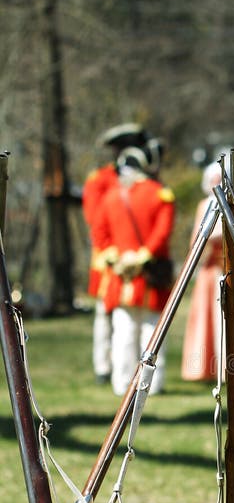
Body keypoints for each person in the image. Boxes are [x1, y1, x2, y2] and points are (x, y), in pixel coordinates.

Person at [95, 146, 175, 395]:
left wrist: (117, 257)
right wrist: (143, 255)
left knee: (124, 332)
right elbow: (162, 233)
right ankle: (153, 385)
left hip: (122, 274)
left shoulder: (110, 196)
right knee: (152, 331)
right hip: (150, 272)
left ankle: (121, 384)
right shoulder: (160, 194)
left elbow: (99, 234)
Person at [82, 122, 149, 384]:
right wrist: (114, 253)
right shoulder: (101, 179)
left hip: (135, 257)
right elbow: (94, 219)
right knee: (104, 311)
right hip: (106, 255)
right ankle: (103, 366)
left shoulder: (144, 180)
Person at [181, 162, 234, 381]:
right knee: (208, 318)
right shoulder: (204, 205)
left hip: (232, 267)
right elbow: (197, 240)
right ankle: (207, 367)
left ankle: (233, 366)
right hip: (212, 269)